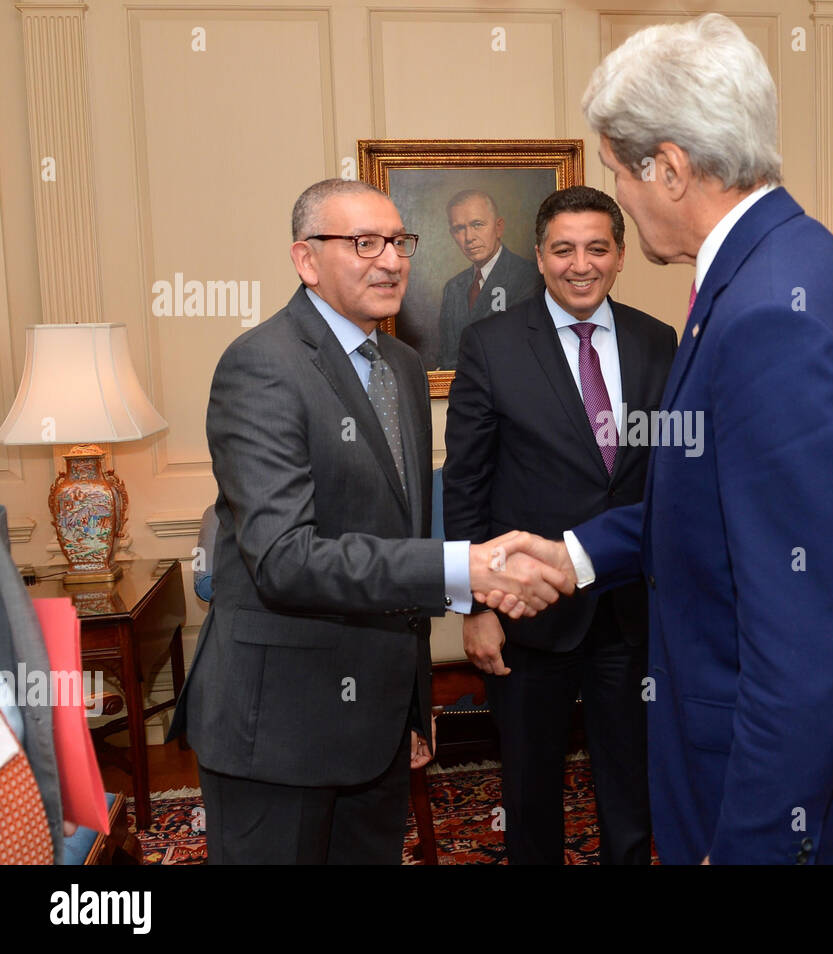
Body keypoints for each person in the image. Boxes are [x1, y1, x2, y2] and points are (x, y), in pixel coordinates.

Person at [486, 14, 833, 865]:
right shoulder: (776, 269)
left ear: (672, 167)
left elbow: (802, 639)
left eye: (619, 173)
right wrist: (575, 554)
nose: (621, 194)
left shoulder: (770, 312)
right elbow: (721, 507)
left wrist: (753, 843)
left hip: (773, 784)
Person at [170, 178, 571, 864]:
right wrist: (461, 567)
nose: (391, 260)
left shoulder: (403, 367)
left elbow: (397, 536)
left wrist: (413, 709)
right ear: (306, 260)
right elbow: (285, 559)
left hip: (378, 726)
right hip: (281, 730)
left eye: (399, 241)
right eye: (364, 243)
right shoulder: (261, 366)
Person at [444, 185, 675, 865]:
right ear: (539, 258)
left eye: (597, 248)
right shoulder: (489, 344)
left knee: (633, 781)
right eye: (564, 249)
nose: (582, 264)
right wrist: (476, 607)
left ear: (621, 255)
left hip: (631, 609)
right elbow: (465, 487)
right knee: (531, 786)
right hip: (525, 610)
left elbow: (667, 479)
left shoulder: (655, 341)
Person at [435, 189, 543, 370]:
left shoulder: (529, 277)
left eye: (477, 224)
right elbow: (445, 354)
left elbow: (515, 350)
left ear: (498, 227)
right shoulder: (453, 287)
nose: (469, 237)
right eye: (459, 228)